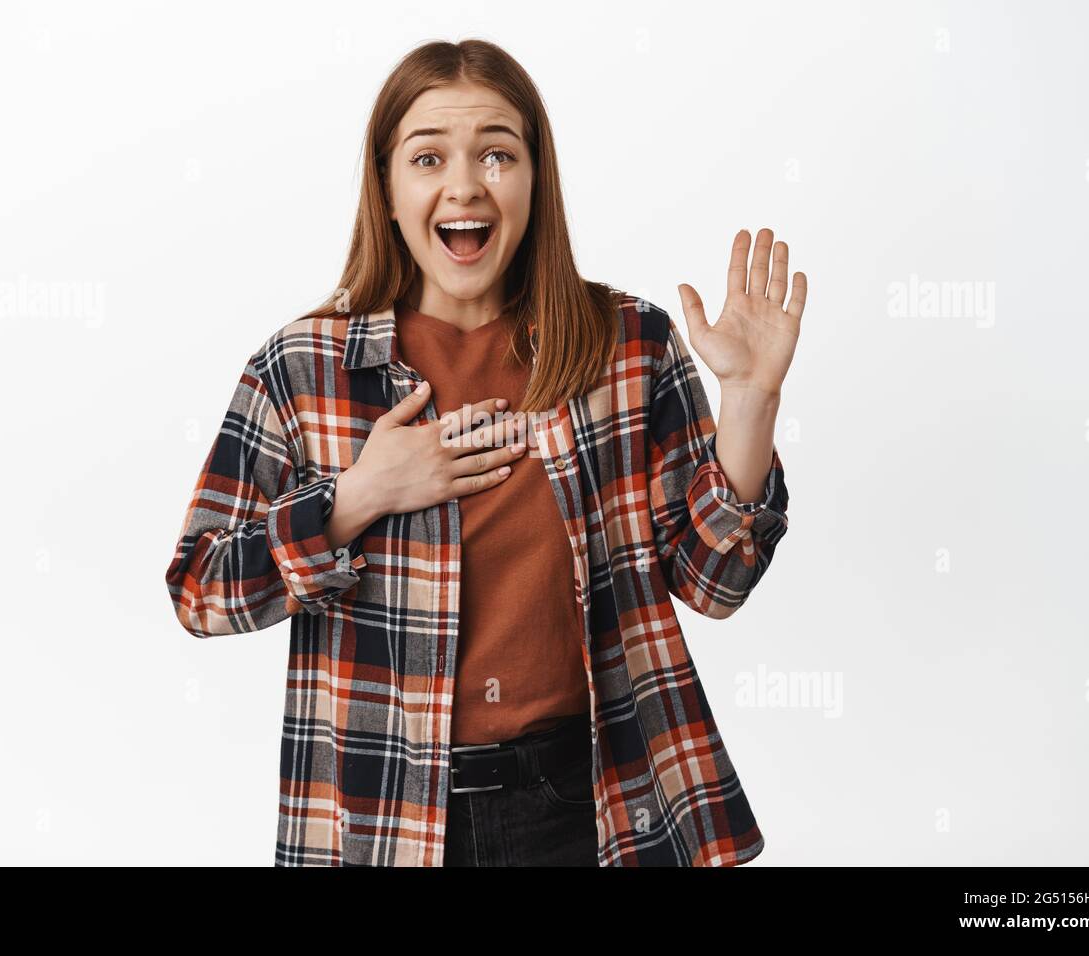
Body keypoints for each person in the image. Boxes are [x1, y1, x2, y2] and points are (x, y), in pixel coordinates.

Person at [165, 38, 806, 867]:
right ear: (388, 189)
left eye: (496, 154)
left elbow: (714, 583)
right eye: (428, 156)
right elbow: (199, 591)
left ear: (536, 182)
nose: (464, 184)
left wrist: (750, 403)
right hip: (378, 814)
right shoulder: (303, 367)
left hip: (587, 809)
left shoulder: (625, 346)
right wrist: (356, 497)